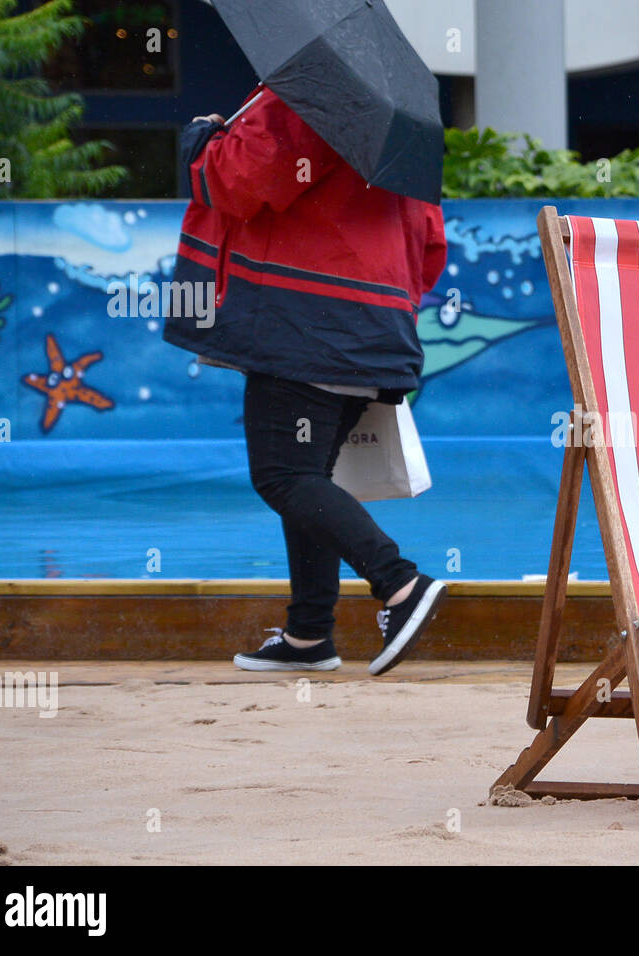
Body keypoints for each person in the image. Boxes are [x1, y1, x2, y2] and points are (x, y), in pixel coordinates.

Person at [163, 85, 448, 675]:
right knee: (309, 476)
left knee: (284, 476)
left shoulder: (305, 97)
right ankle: (308, 634)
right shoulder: (397, 119)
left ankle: (400, 585)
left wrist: (202, 136)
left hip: (303, 328)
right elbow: (429, 248)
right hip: (371, 328)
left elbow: (236, 182)